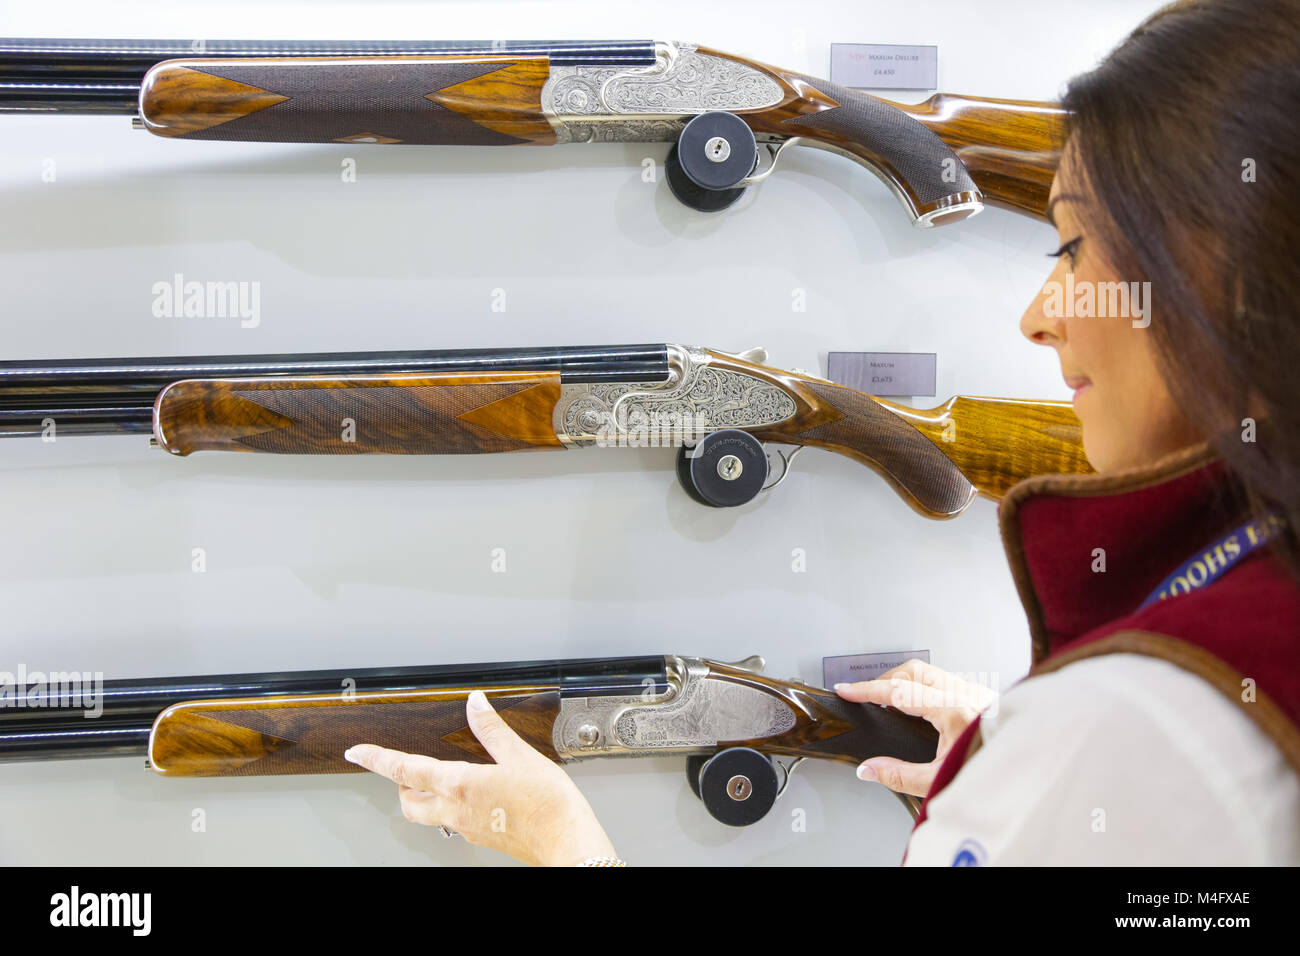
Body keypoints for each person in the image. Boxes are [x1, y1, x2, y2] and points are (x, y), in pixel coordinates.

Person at [344, 0, 1300, 865]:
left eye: (1075, 244)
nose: (1038, 315)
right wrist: (1016, 776)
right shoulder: (1196, 678)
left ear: (1224, 263)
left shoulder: (1155, 719)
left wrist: (566, 845)